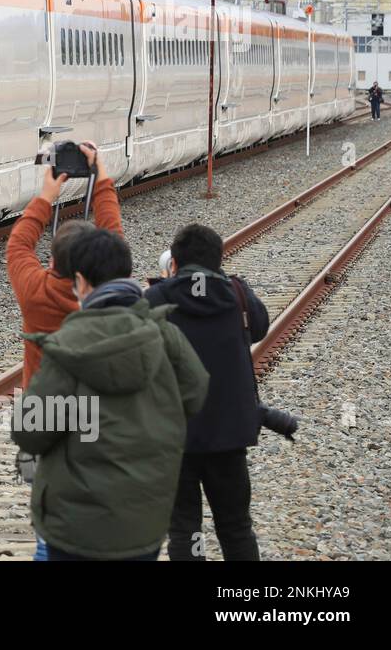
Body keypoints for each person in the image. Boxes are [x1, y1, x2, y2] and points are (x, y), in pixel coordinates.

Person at [12, 228, 210, 561]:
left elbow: (30, 433)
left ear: (81, 282)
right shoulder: (165, 334)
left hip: (75, 526)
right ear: (129, 275)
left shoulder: (67, 346)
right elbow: (196, 391)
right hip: (144, 520)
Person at [5, 141, 122, 560]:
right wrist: (101, 177)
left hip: (43, 411)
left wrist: (46, 195)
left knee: (49, 516)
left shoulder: (36, 292)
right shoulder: (105, 294)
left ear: (52, 261)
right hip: (94, 408)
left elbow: (18, 246)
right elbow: (112, 235)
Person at [146, 224, 268, 562]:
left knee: (186, 530)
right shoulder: (237, 294)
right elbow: (259, 327)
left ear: (175, 262)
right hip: (228, 437)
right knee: (235, 527)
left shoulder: (156, 299)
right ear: (218, 259)